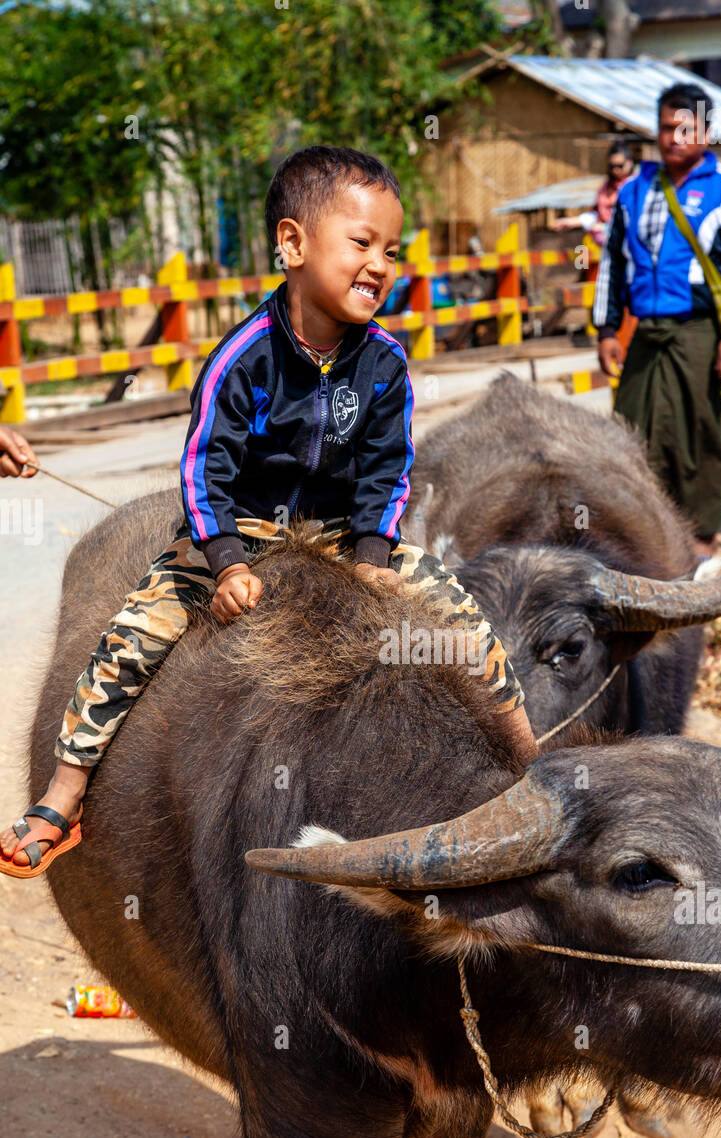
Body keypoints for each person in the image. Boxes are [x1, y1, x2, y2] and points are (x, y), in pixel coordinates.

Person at [1, 146, 536, 876]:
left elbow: (389, 470)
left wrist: (376, 558)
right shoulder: (243, 357)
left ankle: (531, 766)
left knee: (465, 621)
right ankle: (61, 800)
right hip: (243, 531)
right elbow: (201, 471)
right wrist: (222, 562)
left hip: (344, 535)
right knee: (132, 635)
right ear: (292, 244)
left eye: (391, 250)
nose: (380, 264)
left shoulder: (384, 363)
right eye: (360, 243)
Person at [593, 84, 721, 557]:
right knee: (632, 429)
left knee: (696, 430)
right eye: (666, 128)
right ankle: (636, 533)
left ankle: (700, 540)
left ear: (706, 131)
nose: (673, 138)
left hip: (699, 332)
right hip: (644, 331)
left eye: (685, 128)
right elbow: (613, 263)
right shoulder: (633, 190)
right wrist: (607, 329)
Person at [554, 140, 634, 246]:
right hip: (611, 250)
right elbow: (597, 216)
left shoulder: (636, 187)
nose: (615, 170)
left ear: (630, 163)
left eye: (620, 166)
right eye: (612, 166)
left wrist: (605, 228)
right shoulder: (606, 188)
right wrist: (571, 222)